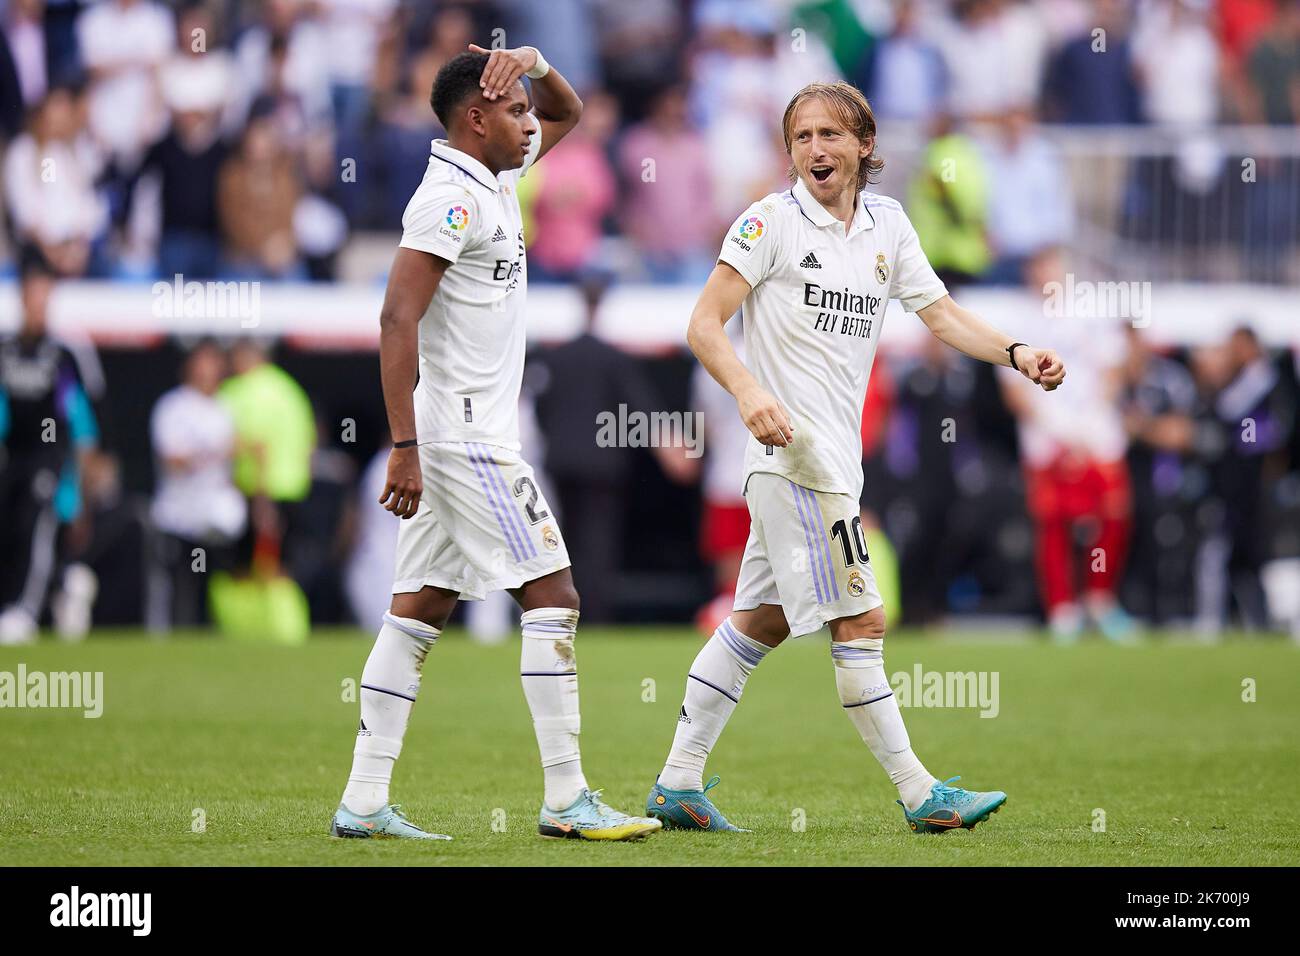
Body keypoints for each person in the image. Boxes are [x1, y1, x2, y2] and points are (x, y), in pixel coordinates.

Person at [645, 81, 1065, 835]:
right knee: (864, 621)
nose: (815, 150)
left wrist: (1015, 351)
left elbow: (938, 314)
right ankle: (920, 793)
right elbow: (703, 324)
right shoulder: (769, 221)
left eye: (829, 136)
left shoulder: (888, 225)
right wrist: (747, 392)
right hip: (796, 458)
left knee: (758, 623)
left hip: (836, 459)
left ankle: (677, 782)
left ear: (864, 145)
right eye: (801, 138)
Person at [331, 45, 660, 842]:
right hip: (464, 438)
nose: (530, 124)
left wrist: (535, 65)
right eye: (515, 110)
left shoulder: (499, 173)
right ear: (474, 119)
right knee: (554, 597)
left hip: (462, 433)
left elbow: (569, 112)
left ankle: (364, 802)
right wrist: (403, 444)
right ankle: (566, 798)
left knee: (419, 609)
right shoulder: (449, 199)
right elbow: (394, 319)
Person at [0, 262, 100, 644]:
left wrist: (84, 476)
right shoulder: (7, 351)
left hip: (50, 458)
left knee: (35, 525)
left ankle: (23, 611)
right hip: (13, 457)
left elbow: (81, 421)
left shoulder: (62, 357)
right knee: (12, 529)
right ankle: (68, 582)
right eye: (31, 295)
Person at [146, 340, 246, 631]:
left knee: (210, 591)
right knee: (180, 591)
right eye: (203, 362)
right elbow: (172, 460)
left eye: (215, 362)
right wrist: (214, 452)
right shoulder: (174, 406)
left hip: (214, 521)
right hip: (179, 518)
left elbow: (232, 464)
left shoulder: (224, 407)